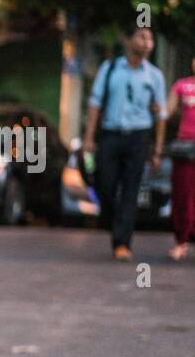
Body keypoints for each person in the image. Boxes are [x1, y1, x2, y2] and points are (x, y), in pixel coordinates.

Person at [82, 25, 168, 261]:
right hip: (111, 134)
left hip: (138, 137)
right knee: (104, 184)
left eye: (150, 39)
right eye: (142, 37)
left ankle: (122, 243)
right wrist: (89, 138)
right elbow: (95, 104)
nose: (147, 43)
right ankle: (114, 220)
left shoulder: (155, 76)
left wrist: (157, 149)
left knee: (130, 189)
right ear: (128, 40)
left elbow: (160, 116)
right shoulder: (110, 69)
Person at [160, 57, 195, 261]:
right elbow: (167, 111)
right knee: (182, 195)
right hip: (186, 148)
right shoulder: (182, 85)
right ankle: (181, 241)